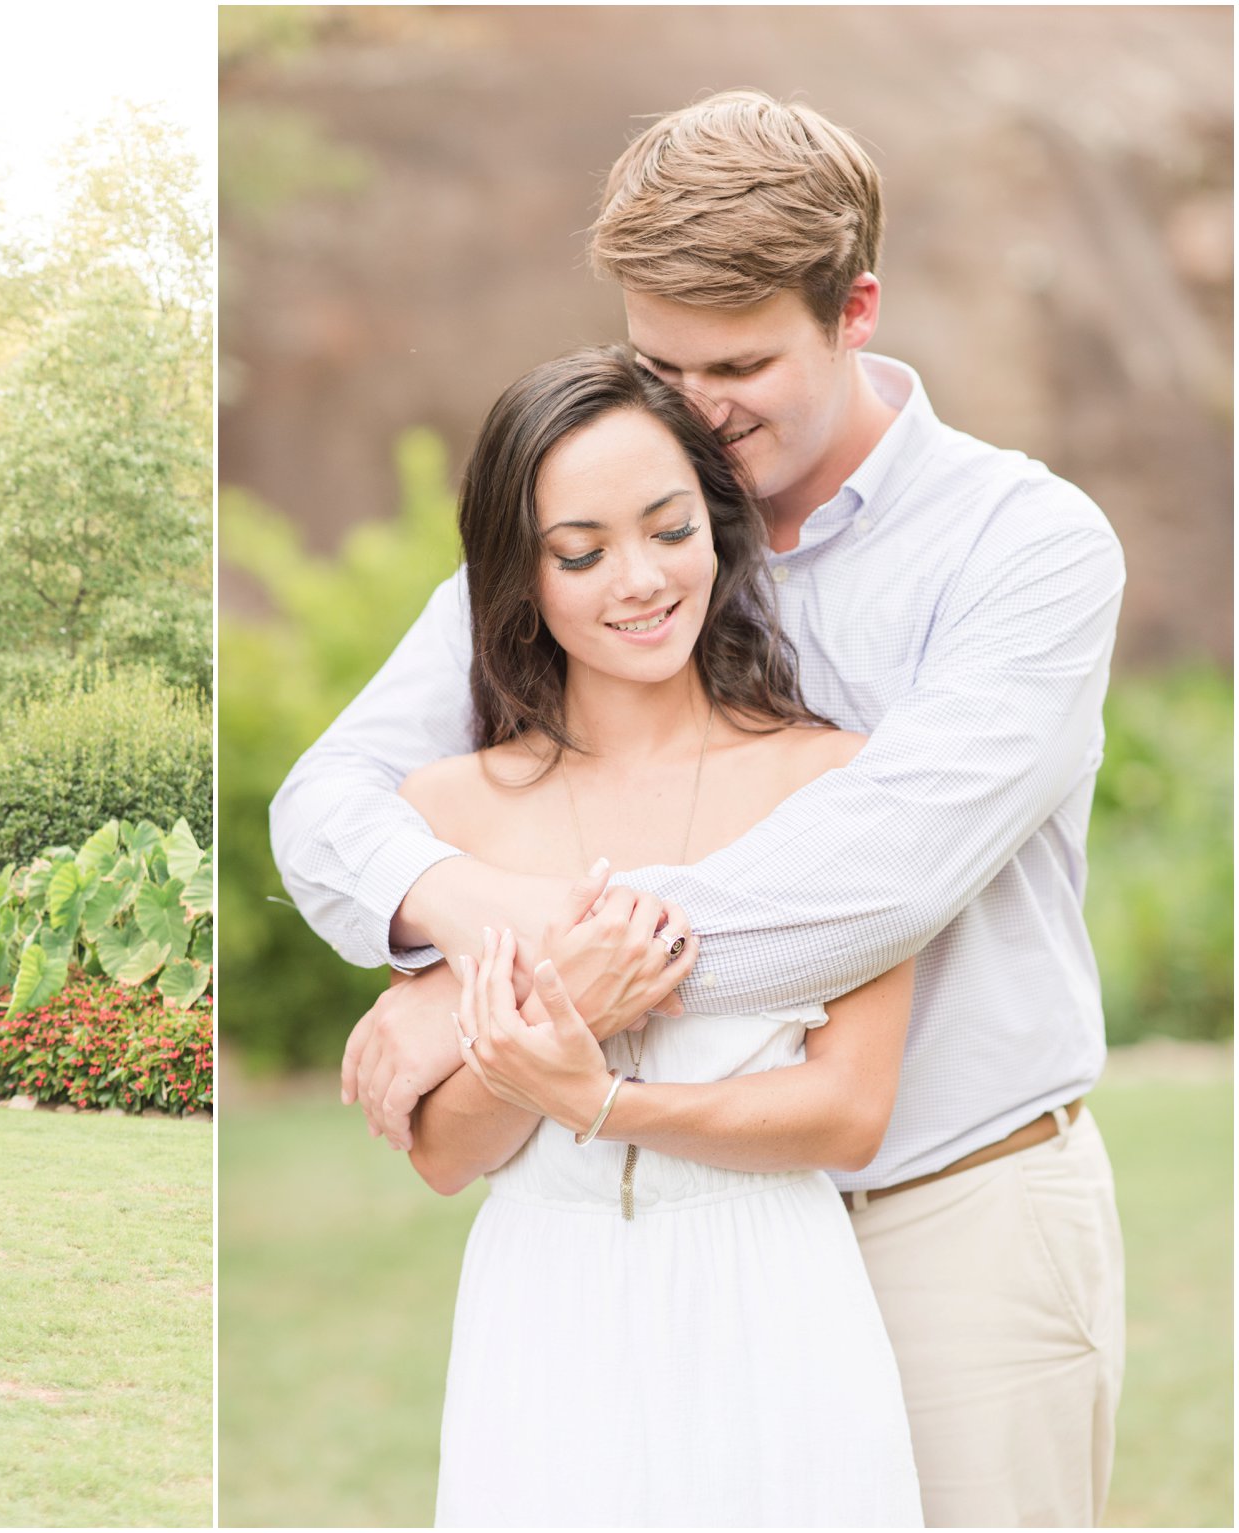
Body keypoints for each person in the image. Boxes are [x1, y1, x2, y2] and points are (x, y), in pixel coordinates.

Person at [270, 91, 1127, 1527]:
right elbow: (329, 809)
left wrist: (507, 992)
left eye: (741, 362)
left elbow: (875, 884)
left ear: (855, 308)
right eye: (659, 358)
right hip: (662, 1242)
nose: (701, 405)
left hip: (946, 1209)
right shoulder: (627, 514)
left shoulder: (1023, 548)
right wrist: (508, 964)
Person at [406, 346, 920, 1526]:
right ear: (518, 575)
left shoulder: (836, 780)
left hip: (770, 1290)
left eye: (667, 530)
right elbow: (439, 1155)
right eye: (579, 553)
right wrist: (564, 1020)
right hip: (543, 1296)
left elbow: (847, 1115)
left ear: (718, 524)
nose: (636, 581)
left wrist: (599, 1100)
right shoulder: (446, 811)